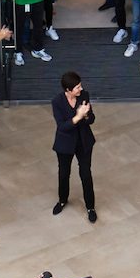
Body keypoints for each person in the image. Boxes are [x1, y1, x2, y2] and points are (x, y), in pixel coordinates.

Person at [51, 71, 96, 223]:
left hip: (83, 142)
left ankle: (90, 207)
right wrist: (77, 117)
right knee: (64, 173)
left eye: (80, 86)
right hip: (65, 143)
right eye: (77, 87)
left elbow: (92, 119)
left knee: (85, 174)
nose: (80, 89)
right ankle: (62, 200)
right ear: (68, 90)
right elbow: (62, 126)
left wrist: (86, 115)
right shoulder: (57, 101)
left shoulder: (84, 96)